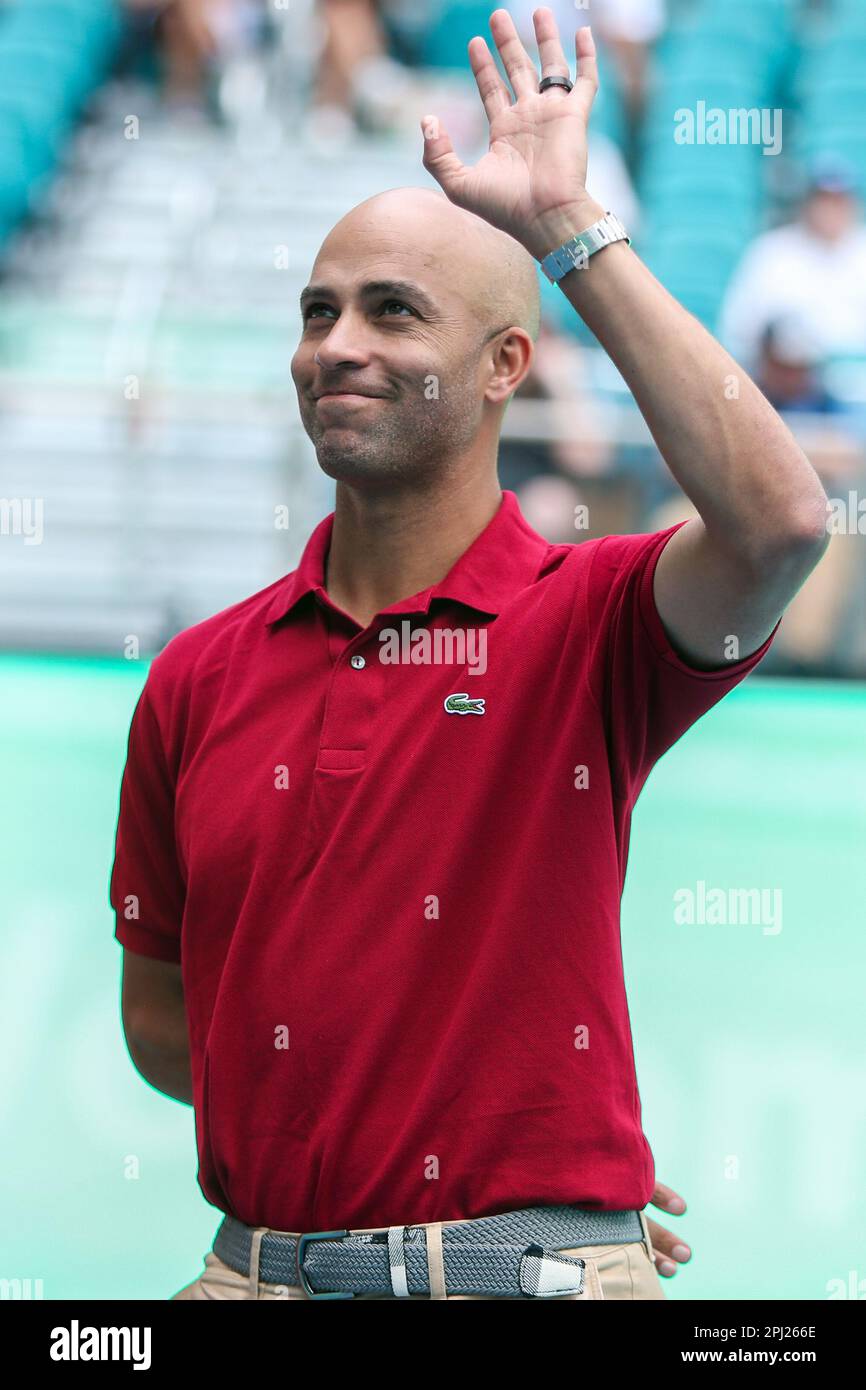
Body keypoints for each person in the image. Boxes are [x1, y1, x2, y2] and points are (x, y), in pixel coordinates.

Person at [111, 8, 829, 1300]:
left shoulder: (592, 618)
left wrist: (564, 230)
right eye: (318, 311)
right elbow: (167, 1025)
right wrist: (465, 1133)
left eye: (392, 312)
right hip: (249, 1275)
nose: (338, 344)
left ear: (506, 364)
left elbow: (779, 519)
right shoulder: (193, 677)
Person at [719, 156, 866, 376]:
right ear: (806, 202)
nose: (830, 211)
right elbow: (739, 329)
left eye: (837, 201)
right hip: (786, 390)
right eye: (823, 200)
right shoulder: (771, 252)